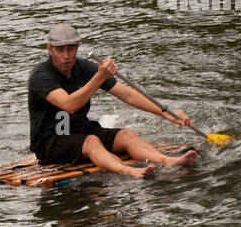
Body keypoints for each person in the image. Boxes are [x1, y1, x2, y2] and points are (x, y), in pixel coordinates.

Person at [28, 23, 198, 179]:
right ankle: (129, 171)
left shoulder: (84, 67)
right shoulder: (40, 76)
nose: (66, 56)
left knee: (126, 135)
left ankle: (168, 161)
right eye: (60, 50)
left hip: (79, 131)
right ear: (50, 50)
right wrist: (99, 77)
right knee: (91, 141)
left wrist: (166, 113)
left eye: (71, 49)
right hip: (49, 142)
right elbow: (69, 105)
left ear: (77, 48)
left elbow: (128, 95)